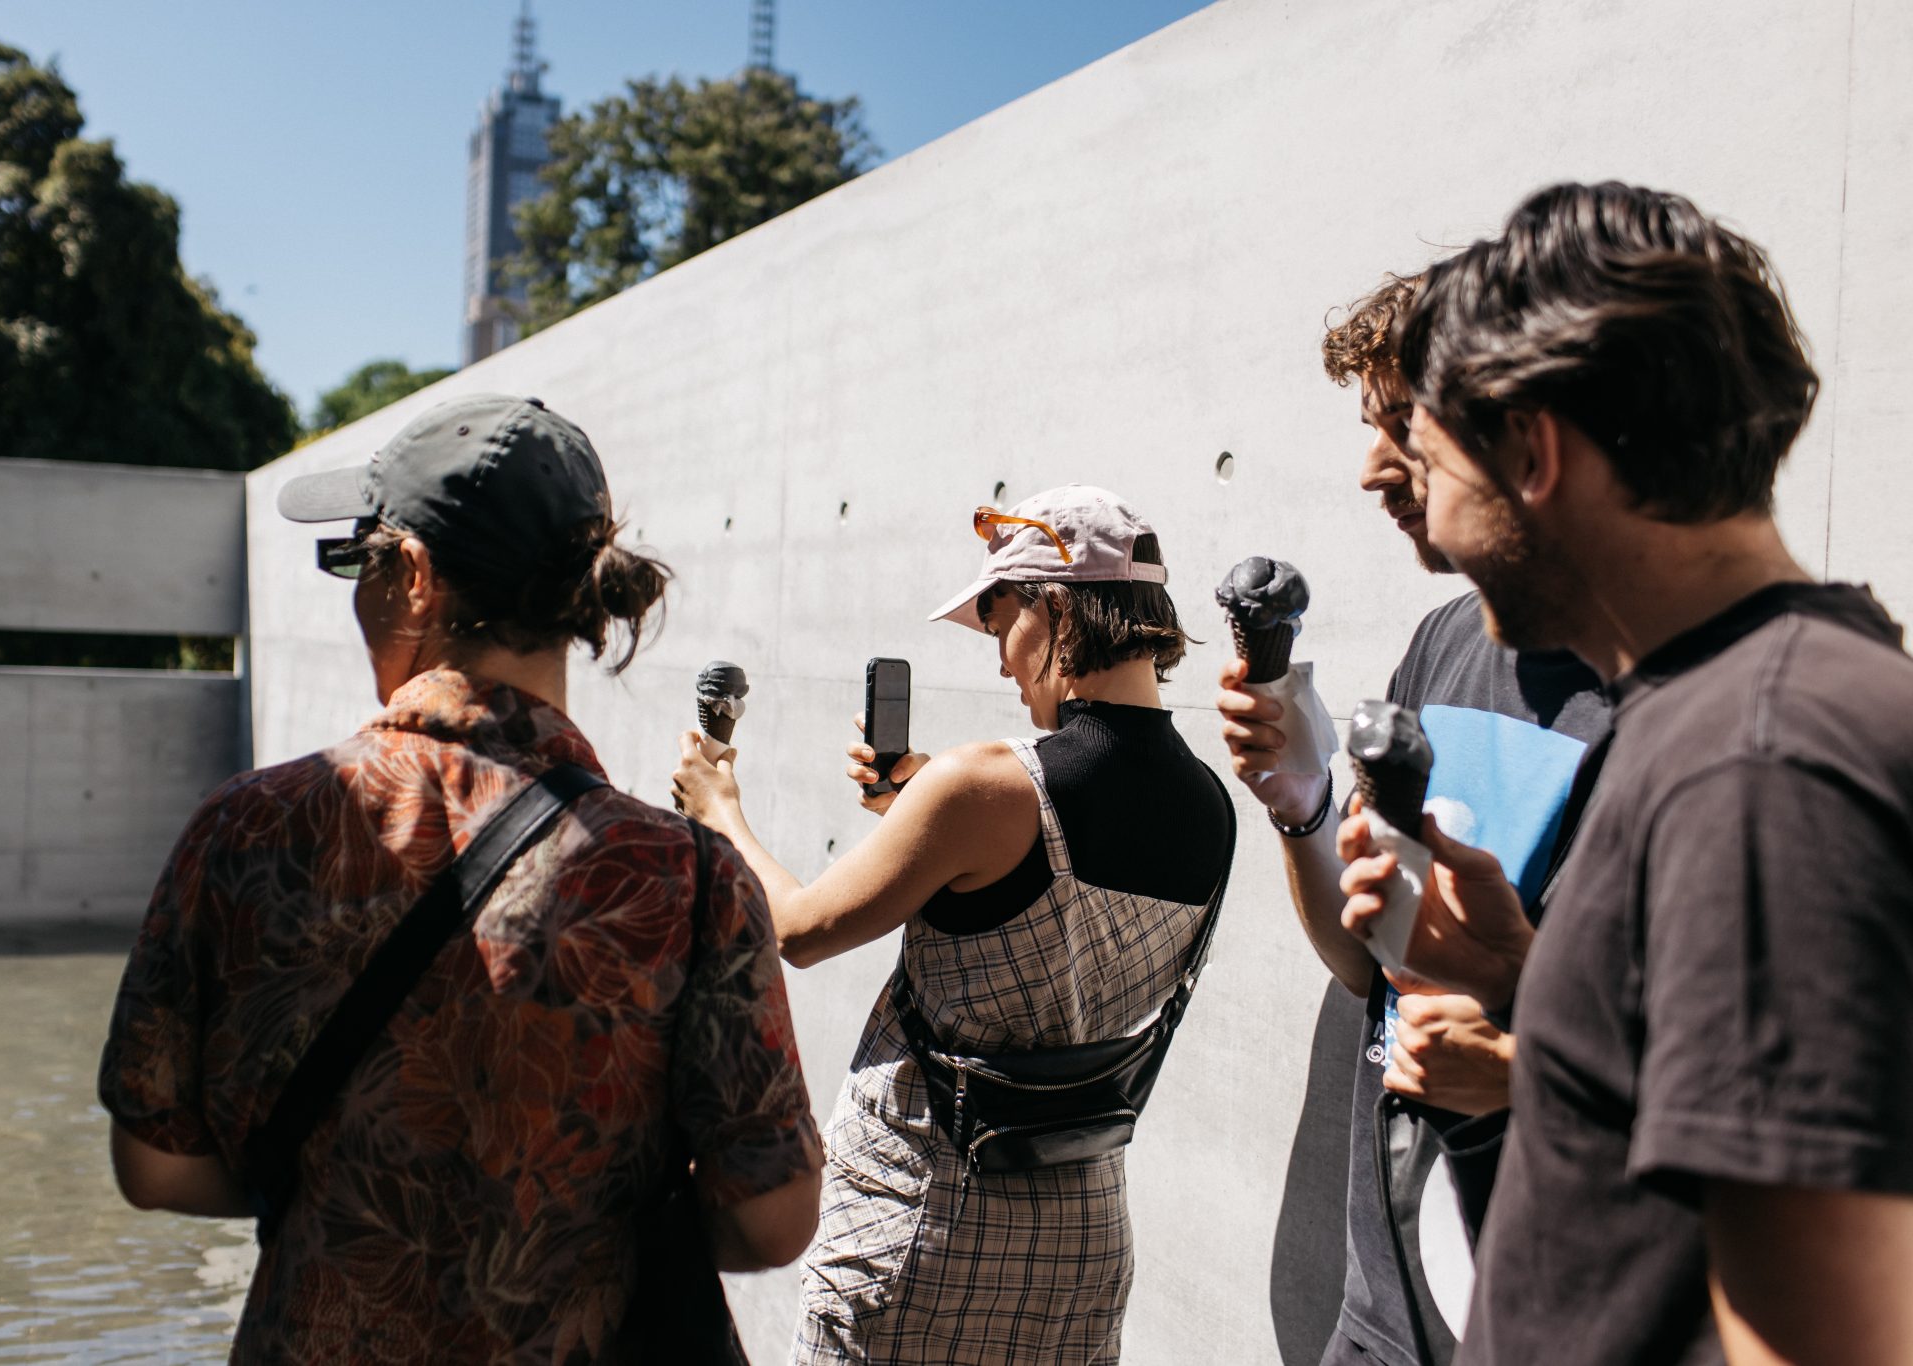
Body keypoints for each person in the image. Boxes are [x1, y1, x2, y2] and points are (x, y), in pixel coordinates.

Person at [98, 395, 823, 1362]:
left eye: (356, 561)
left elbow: (154, 1166)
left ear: (410, 574)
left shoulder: (247, 827)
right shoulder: (686, 877)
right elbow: (771, 1222)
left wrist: (354, 1189)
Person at [1336, 182, 1913, 1363]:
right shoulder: (1737, 712)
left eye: (1428, 449)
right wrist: (1520, 980)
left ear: (1533, 453)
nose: (1409, 493)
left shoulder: (1754, 767)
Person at [672, 485, 1235, 1365]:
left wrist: (721, 814)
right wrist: (920, 808)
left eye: (998, 620)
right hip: (1082, 1252)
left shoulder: (985, 785)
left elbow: (798, 930)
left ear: (1053, 611)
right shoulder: (1213, 806)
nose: (1001, 663)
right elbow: (1054, 912)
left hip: (926, 1230)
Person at [1216, 278, 1608, 1364]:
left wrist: (1529, 1062)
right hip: (1381, 1308)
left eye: (1402, 427)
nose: (1374, 468)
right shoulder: (1442, 643)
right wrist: (1299, 805)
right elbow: (1364, 968)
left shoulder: (1667, 703)